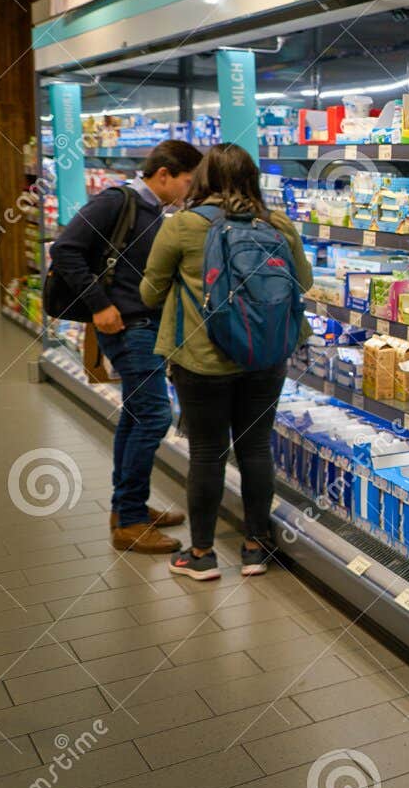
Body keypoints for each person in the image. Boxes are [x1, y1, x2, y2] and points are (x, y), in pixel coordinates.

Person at [140, 144, 311, 581]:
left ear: (201, 179)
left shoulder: (181, 227)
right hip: (265, 359)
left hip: (202, 361)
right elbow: (303, 282)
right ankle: (255, 547)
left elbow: (150, 293)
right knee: (255, 448)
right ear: (252, 178)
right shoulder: (277, 224)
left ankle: (201, 555)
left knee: (207, 454)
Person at [48, 139, 201, 553]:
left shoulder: (155, 210)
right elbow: (65, 249)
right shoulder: (118, 201)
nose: (190, 190)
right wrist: (100, 305)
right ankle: (129, 522)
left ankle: (127, 507)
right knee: (154, 416)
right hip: (126, 326)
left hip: (142, 322)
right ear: (164, 174)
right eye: (188, 181)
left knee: (136, 414)